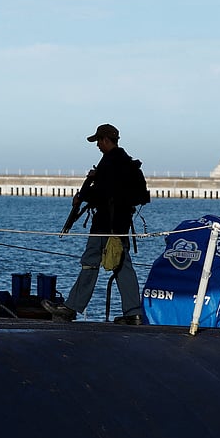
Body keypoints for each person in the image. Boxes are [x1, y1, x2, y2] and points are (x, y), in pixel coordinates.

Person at [43, 123, 145, 325]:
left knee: (90, 262)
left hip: (105, 225)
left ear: (107, 140)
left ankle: (71, 307)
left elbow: (103, 194)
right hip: (122, 224)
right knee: (122, 266)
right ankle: (134, 314)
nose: (97, 145)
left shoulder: (110, 162)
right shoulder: (126, 162)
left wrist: (82, 194)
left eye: (99, 141)